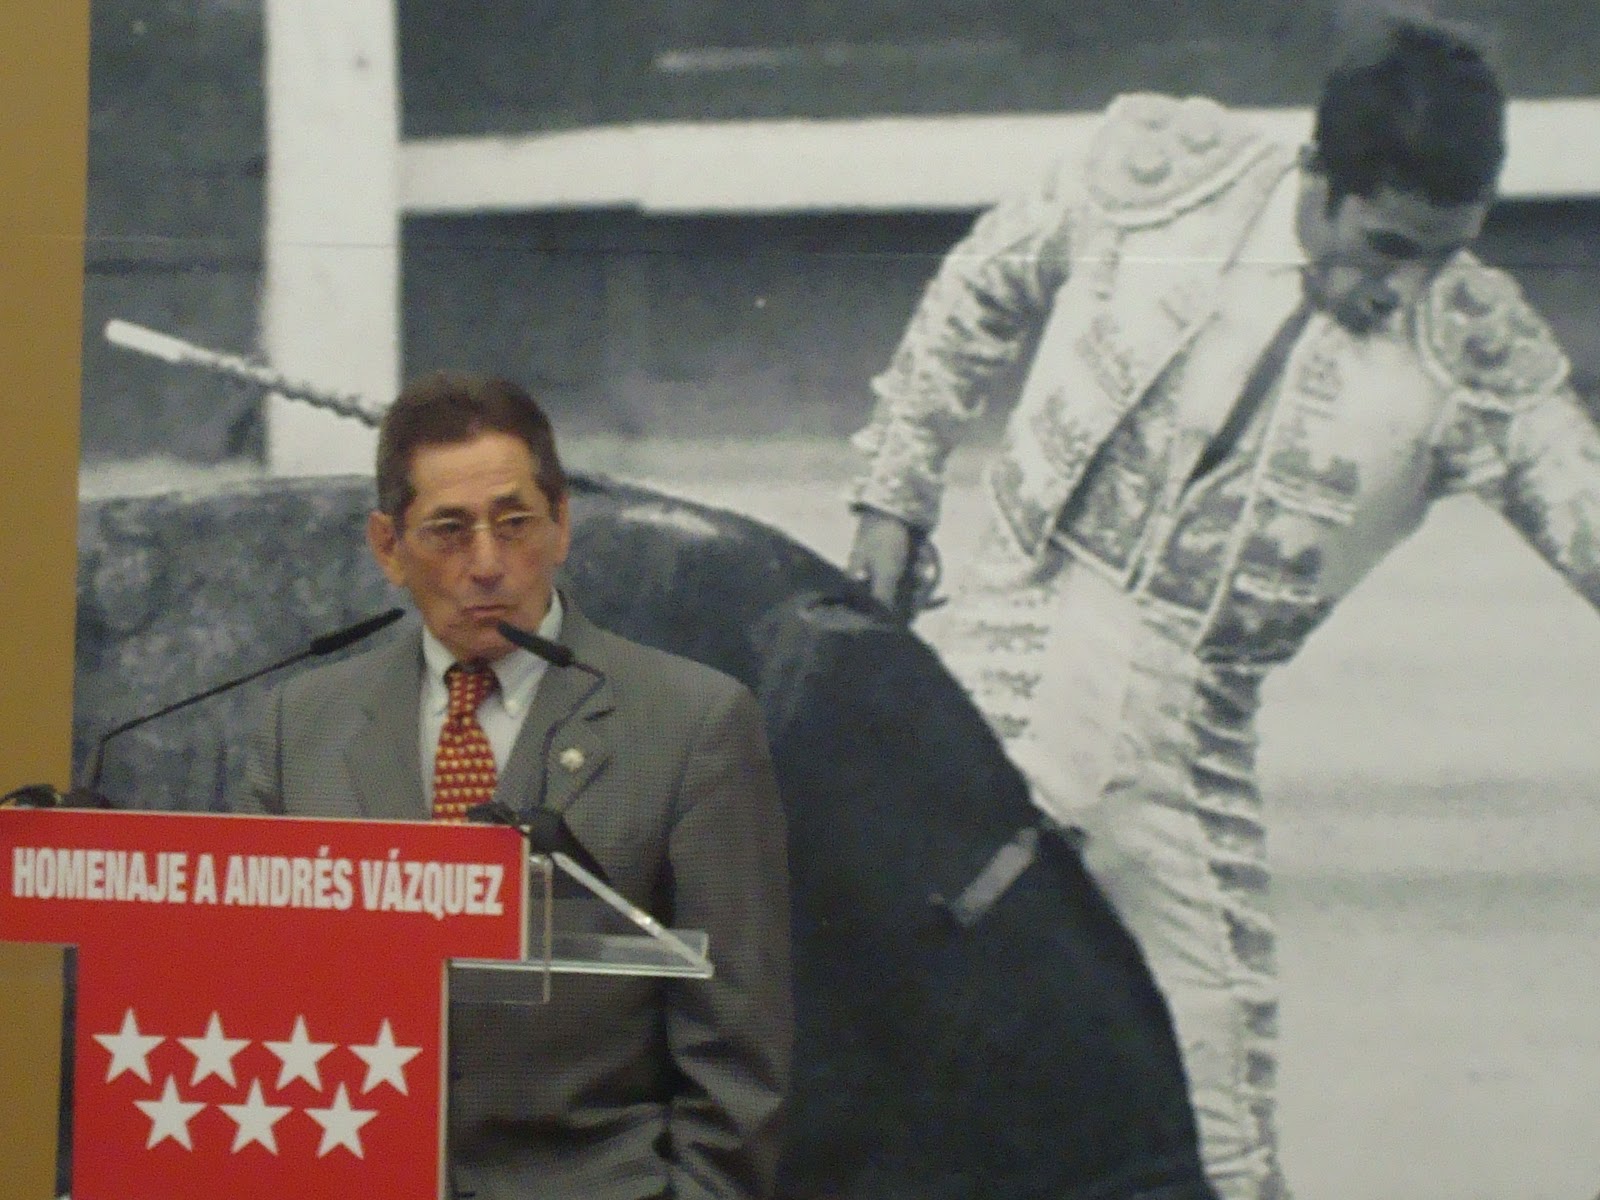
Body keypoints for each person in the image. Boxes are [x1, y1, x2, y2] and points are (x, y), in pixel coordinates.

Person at [845, 15, 1600, 1200]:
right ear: (1320, 175)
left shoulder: (1471, 349)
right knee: (833, 1026)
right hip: (991, 650)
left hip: (1180, 755)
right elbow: (981, 286)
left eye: (1442, 255)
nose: (1404, 285)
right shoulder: (1160, 180)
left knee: (1222, 1151)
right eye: (1387, 244)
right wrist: (892, 494)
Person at [239, 371, 794, 1200]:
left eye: (516, 523)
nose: (488, 565)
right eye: (449, 532)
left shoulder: (692, 724)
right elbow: (255, 1001)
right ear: (388, 548)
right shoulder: (300, 726)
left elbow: (736, 1054)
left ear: (564, 524)